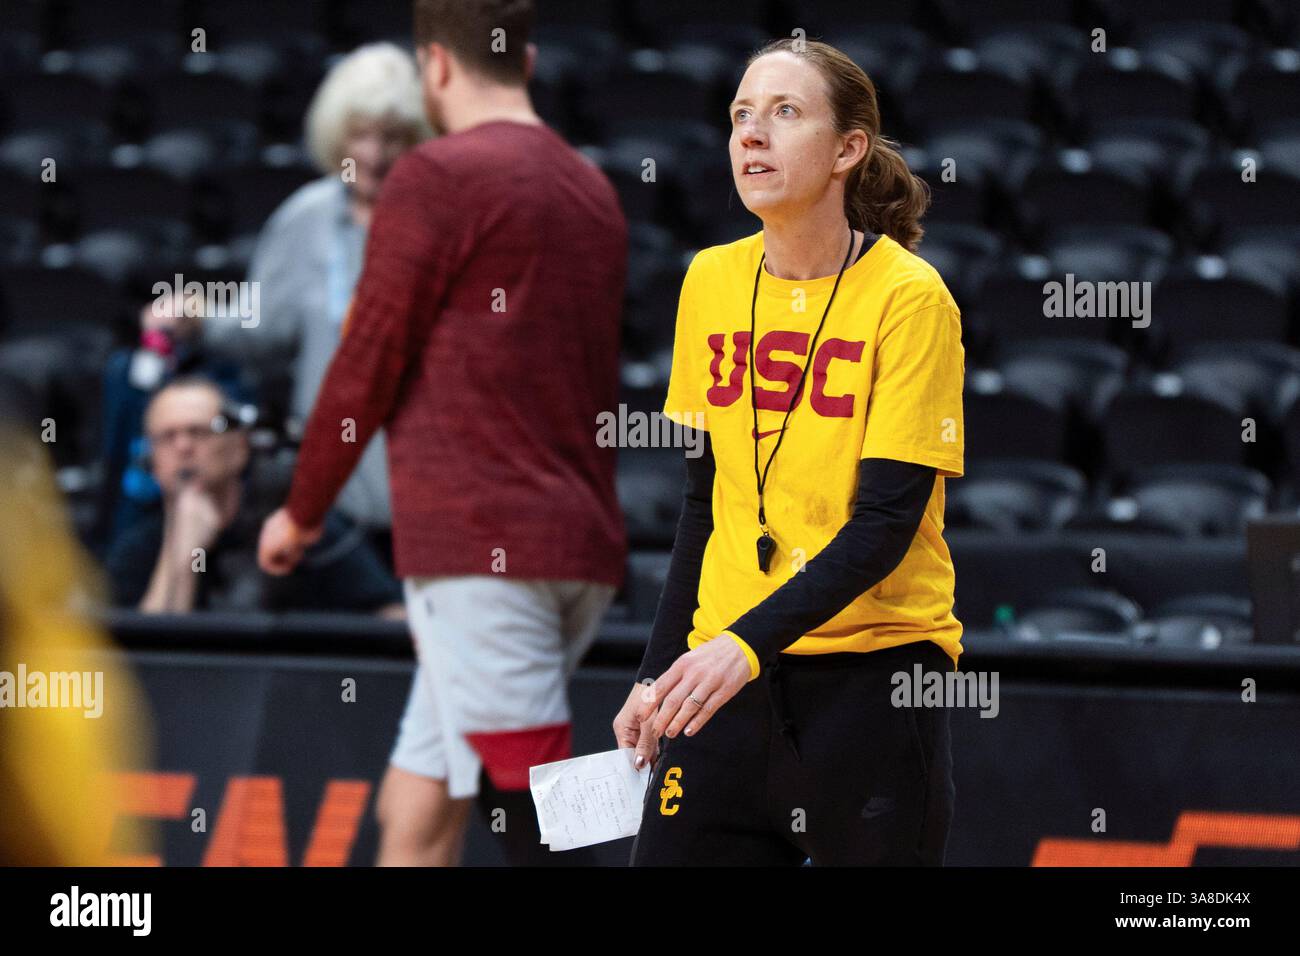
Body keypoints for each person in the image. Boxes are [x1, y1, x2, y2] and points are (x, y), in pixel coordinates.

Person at [256, 0, 627, 867]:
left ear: (435, 69)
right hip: (576, 546)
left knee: (537, 805)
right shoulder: (593, 187)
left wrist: (301, 513)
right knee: (415, 807)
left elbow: (364, 366)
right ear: (526, 61)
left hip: (483, 551)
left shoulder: (438, 176)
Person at [613, 38, 966, 866]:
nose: (751, 135)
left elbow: (882, 527)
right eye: (741, 114)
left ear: (848, 149)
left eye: (784, 113)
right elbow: (706, 507)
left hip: (871, 681)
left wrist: (739, 647)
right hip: (721, 682)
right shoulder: (710, 280)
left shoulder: (912, 299)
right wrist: (656, 672)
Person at [203, 42, 431, 540]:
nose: (374, 155)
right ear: (337, 138)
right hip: (332, 493)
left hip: (429, 478)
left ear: (416, 138)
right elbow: (259, 329)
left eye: (391, 137)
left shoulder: (440, 218)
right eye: (361, 136)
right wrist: (199, 319)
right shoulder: (306, 218)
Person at [106, 376, 403, 616]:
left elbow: (390, 618)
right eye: (167, 437)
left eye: (198, 432)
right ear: (151, 461)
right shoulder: (136, 550)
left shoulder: (296, 532)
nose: (183, 447)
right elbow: (141, 665)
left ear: (240, 447)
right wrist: (180, 555)